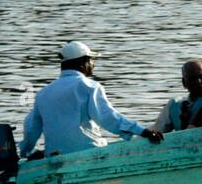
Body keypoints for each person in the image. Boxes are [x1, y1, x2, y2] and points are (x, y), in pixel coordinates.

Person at [19, 41, 163, 158]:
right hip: (89, 154)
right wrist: (143, 131)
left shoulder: (43, 94)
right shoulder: (89, 86)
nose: (93, 64)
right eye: (91, 59)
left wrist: (27, 153)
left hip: (55, 157)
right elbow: (107, 117)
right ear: (83, 62)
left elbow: (31, 128)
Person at [152, 59, 202, 133]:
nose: (198, 81)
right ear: (184, 83)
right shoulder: (175, 105)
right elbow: (157, 130)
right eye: (193, 78)